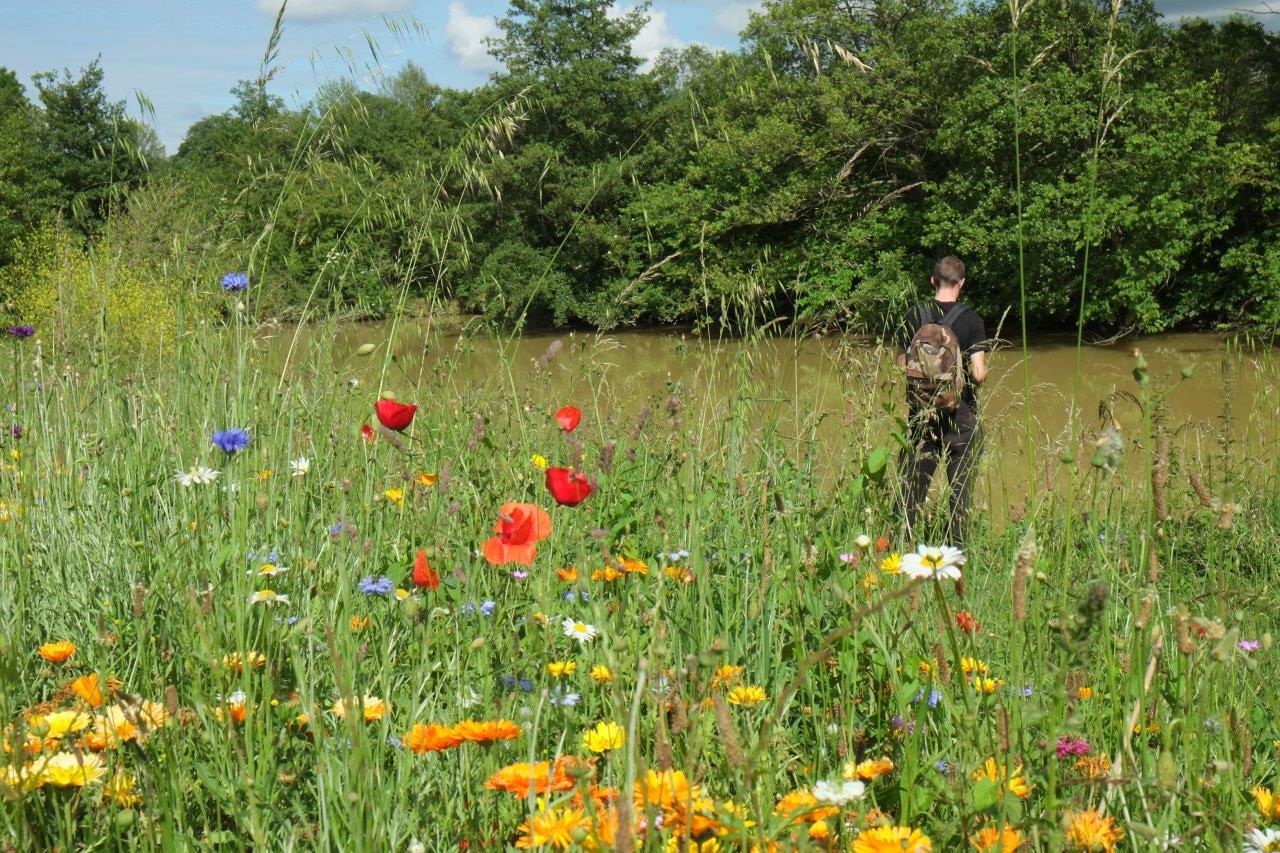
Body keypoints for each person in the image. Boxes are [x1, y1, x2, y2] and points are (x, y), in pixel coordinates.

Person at [897, 256, 989, 545]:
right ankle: (957, 558)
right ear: (961, 283)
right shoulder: (971, 320)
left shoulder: (913, 314)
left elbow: (901, 365)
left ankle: (901, 550)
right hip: (959, 420)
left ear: (933, 281)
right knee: (959, 497)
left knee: (910, 496)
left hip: (922, 418)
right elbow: (978, 374)